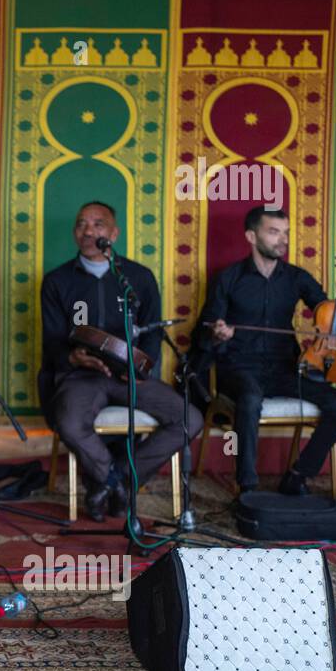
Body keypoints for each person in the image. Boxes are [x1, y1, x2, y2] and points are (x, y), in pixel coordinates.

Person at [39, 201, 201, 527]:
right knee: (69, 422)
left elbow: (152, 334)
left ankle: (115, 480)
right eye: (81, 224)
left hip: (129, 377)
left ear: (113, 234)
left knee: (189, 418)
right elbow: (52, 338)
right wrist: (72, 357)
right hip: (81, 376)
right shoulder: (57, 281)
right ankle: (114, 483)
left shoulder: (138, 277)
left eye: (97, 224)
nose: (88, 231)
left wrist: (141, 370)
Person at [197, 205, 336, 495]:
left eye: (286, 233)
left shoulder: (297, 277)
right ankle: (247, 487)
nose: (283, 240)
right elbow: (205, 331)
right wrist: (219, 333)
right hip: (238, 368)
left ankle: (298, 475)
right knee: (250, 398)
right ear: (251, 236)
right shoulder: (229, 278)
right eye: (273, 232)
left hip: (285, 368)